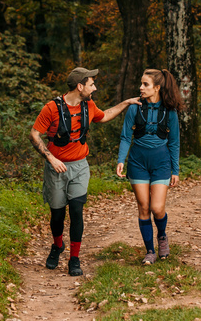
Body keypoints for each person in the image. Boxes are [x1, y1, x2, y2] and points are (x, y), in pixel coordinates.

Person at [30, 67, 138, 276]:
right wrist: (50, 158)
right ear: (80, 87)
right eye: (91, 84)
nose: (94, 88)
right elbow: (34, 135)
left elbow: (105, 116)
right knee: (57, 214)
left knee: (77, 211)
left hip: (80, 166)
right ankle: (57, 246)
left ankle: (74, 258)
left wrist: (126, 103)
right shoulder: (51, 108)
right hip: (56, 168)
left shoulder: (88, 105)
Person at [116, 69, 183, 265]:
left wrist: (175, 170)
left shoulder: (170, 111)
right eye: (141, 84)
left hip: (161, 162)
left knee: (157, 207)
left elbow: (174, 142)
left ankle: (162, 236)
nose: (141, 88)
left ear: (157, 88)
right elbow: (126, 136)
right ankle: (150, 251)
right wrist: (121, 159)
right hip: (138, 162)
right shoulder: (135, 108)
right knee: (144, 207)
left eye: (145, 84)